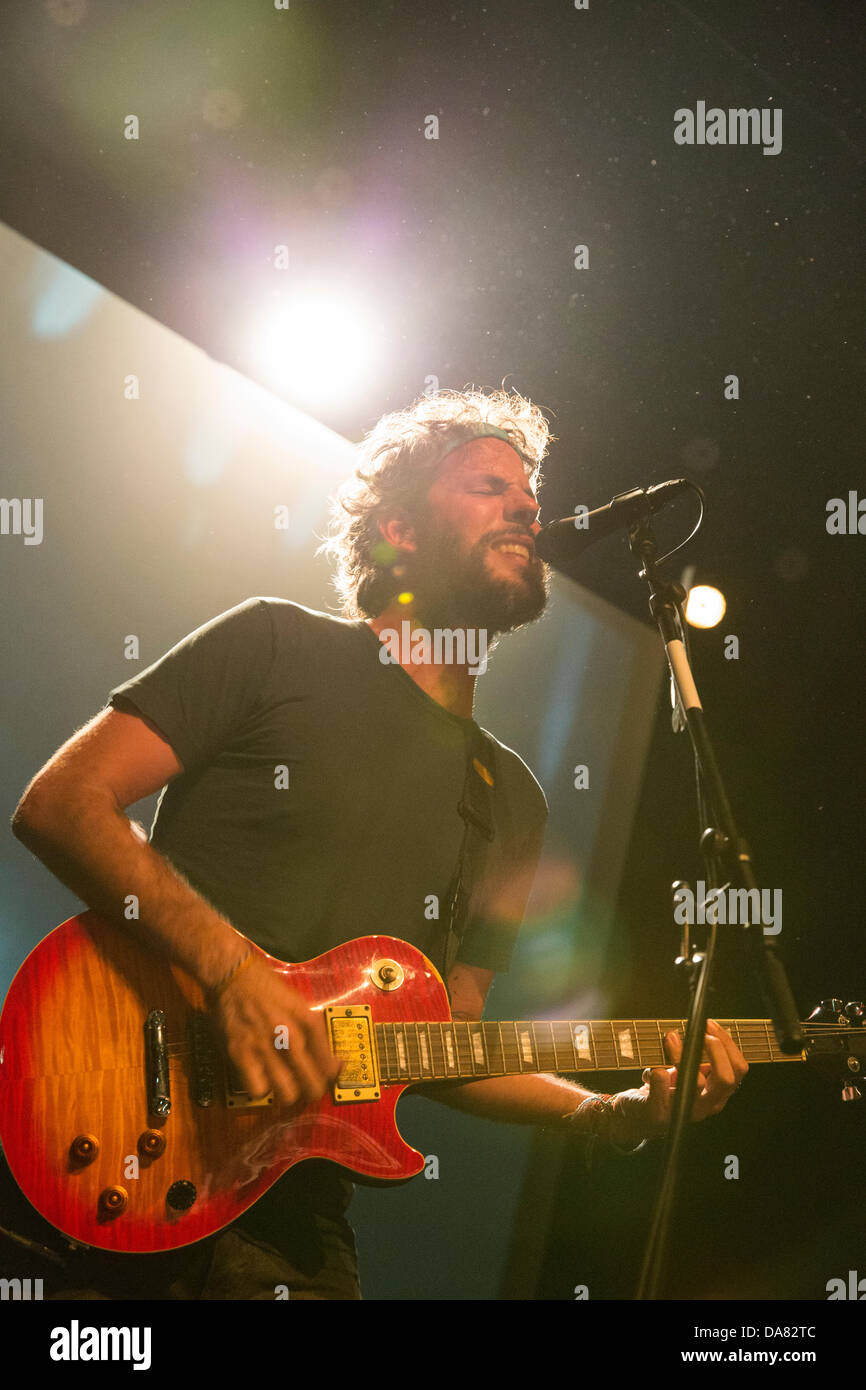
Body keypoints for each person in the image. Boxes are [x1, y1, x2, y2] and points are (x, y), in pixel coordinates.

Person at [5, 387, 748, 1300]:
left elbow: (444, 1045)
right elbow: (61, 801)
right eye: (490, 486)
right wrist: (236, 976)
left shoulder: (512, 802)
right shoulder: (275, 644)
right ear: (398, 529)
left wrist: (617, 1110)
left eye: (532, 498)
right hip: (101, 1123)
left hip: (291, 1227)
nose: (527, 507)